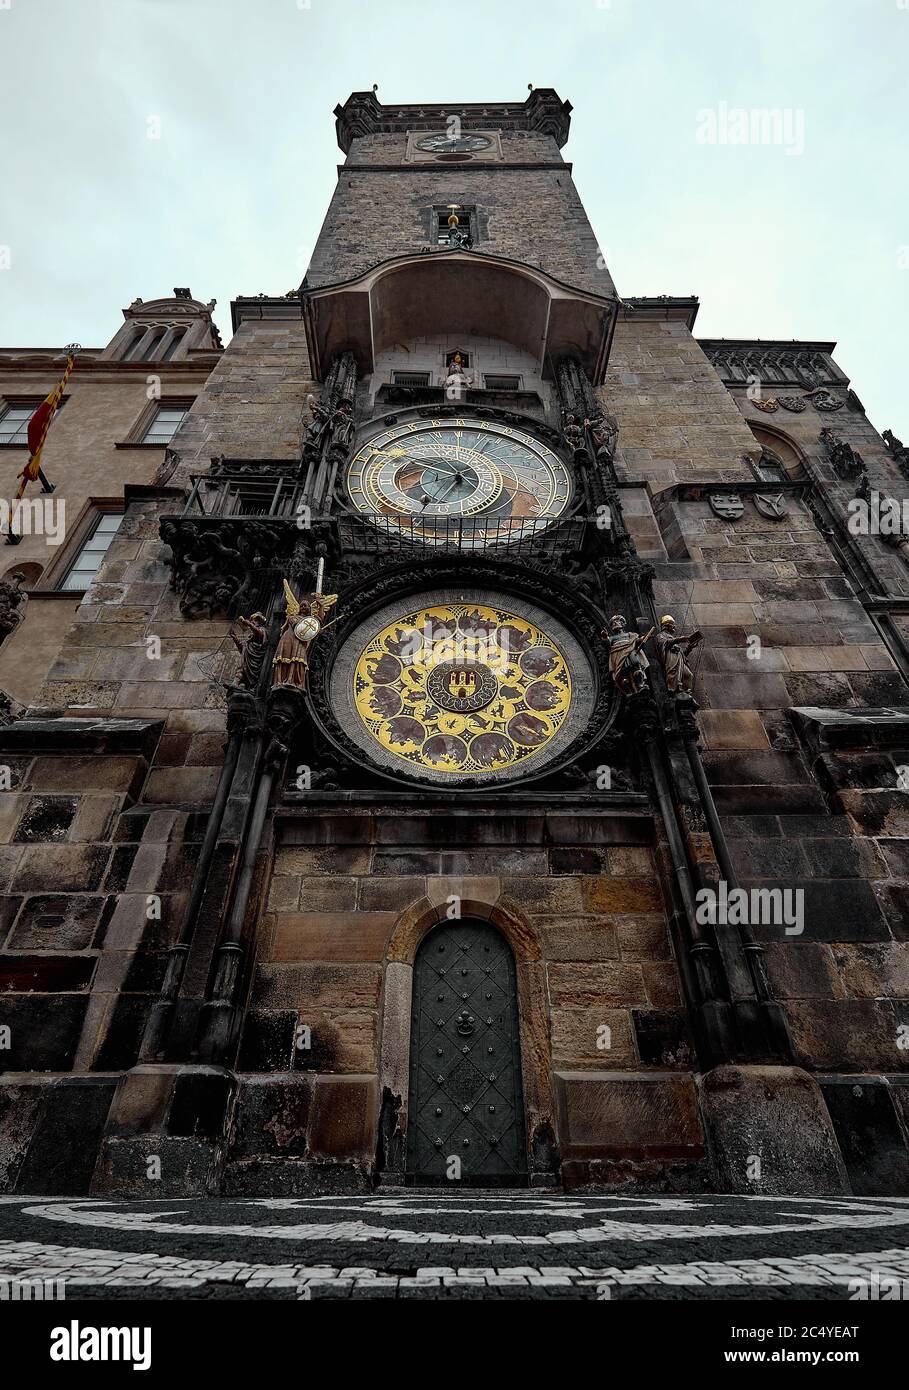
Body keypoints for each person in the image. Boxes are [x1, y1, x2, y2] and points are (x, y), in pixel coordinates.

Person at [272, 579, 338, 690]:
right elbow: (295, 625)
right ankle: (280, 681)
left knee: (298, 659)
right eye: (301, 606)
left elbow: (319, 619)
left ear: (310, 608)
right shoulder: (293, 617)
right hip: (288, 638)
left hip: (300, 641)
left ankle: (295, 681)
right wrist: (311, 624)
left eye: (306, 606)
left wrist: (320, 604)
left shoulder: (310, 620)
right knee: (285, 658)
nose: (303, 607)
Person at [603, 613, 652, 696]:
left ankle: (640, 684)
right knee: (623, 672)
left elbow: (636, 641)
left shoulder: (629, 635)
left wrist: (644, 638)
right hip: (618, 654)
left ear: (622, 623)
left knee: (636, 664)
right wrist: (605, 638)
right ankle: (629, 691)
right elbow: (607, 644)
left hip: (630, 651)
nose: (614, 623)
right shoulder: (613, 638)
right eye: (612, 623)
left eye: (616, 621)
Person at [655, 614, 702, 695]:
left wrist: (689, 648)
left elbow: (681, 655)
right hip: (671, 659)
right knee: (674, 672)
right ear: (666, 625)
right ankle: (674, 690)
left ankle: (687, 692)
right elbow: (663, 643)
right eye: (672, 624)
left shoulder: (671, 637)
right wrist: (678, 640)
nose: (674, 626)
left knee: (688, 675)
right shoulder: (661, 635)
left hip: (679, 660)